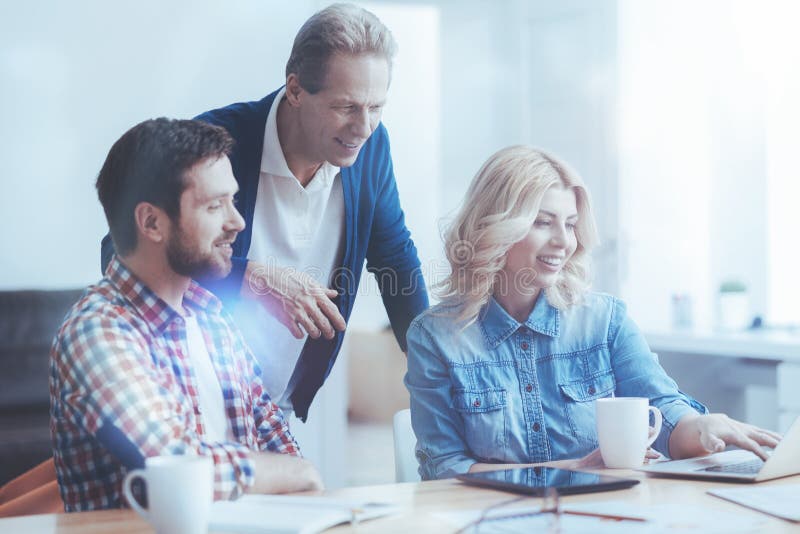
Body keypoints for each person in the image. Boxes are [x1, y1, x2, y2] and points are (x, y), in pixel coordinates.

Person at [100, 3, 428, 423]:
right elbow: (120, 253)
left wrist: (431, 363)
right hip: (182, 399)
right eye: (346, 107)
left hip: (273, 408)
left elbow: (395, 258)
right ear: (294, 89)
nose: (363, 127)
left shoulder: (370, 147)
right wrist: (252, 277)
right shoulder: (213, 147)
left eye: (376, 107)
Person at [405, 146, 781, 480]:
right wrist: (571, 470)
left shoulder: (605, 320)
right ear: (497, 225)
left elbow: (662, 415)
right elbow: (445, 468)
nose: (564, 241)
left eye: (570, 224)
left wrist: (701, 427)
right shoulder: (436, 336)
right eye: (543, 222)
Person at [52, 118, 322, 512]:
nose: (237, 222)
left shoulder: (212, 316)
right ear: (152, 223)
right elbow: (175, 465)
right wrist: (295, 474)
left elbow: (275, 440)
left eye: (233, 200)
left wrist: (300, 482)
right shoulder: (95, 332)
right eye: (215, 206)